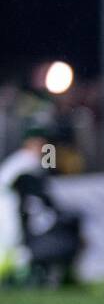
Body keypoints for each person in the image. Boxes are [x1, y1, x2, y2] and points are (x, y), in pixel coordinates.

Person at [0, 123, 83, 287]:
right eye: (40, 142)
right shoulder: (26, 161)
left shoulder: (26, 161)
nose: (44, 147)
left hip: (14, 211)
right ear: (29, 142)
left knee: (15, 251)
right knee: (16, 250)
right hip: (8, 211)